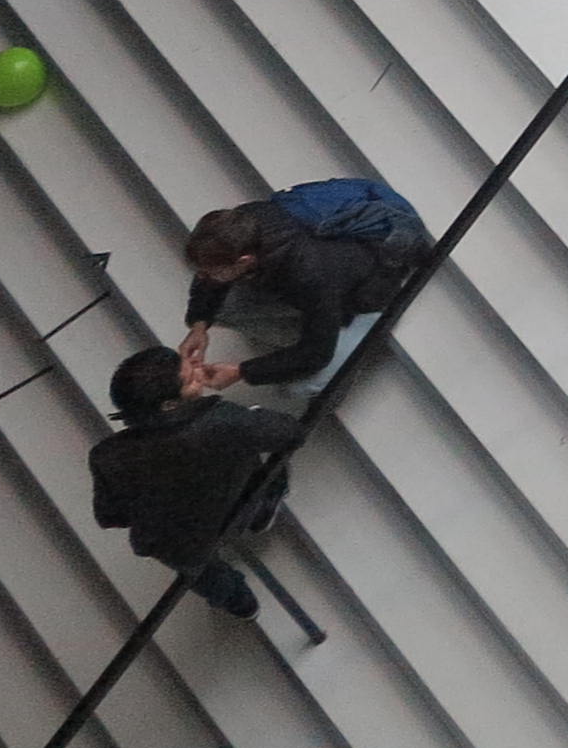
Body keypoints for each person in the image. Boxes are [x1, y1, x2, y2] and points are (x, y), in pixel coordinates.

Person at [89, 347, 304, 619]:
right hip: (239, 504)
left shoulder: (106, 458)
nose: (200, 374)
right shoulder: (223, 420)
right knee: (270, 466)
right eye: (191, 378)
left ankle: (240, 604)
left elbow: (110, 516)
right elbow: (291, 433)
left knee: (200, 572)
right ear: (169, 405)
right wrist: (254, 414)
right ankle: (263, 509)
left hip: (183, 544)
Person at [177, 184, 426, 404]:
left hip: (373, 282)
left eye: (212, 272)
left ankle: (348, 334)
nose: (203, 278)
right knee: (224, 306)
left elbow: (316, 354)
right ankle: (316, 328)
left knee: (304, 384)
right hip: (332, 271)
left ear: (245, 261)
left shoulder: (312, 274)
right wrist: (200, 325)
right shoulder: (247, 220)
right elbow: (210, 276)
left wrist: (242, 371)